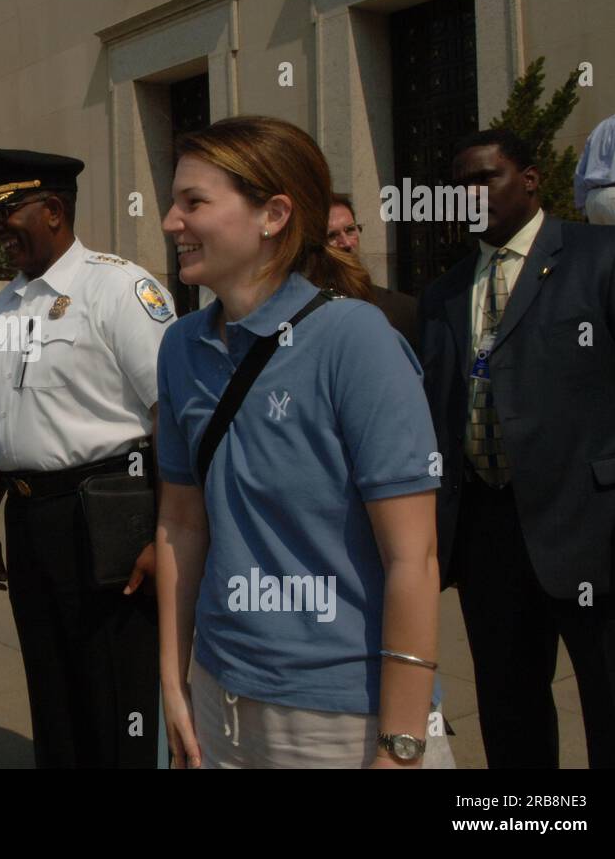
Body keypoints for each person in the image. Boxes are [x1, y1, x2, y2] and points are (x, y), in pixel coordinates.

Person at [156, 115, 452, 769]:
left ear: (273, 214)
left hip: (341, 716)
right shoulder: (180, 347)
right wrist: (173, 685)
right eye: (173, 201)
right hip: (216, 701)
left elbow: (414, 557)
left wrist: (401, 749)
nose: (171, 221)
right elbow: (180, 525)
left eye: (194, 202)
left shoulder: (356, 340)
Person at [419, 127, 615, 768]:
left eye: (486, 177)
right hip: (489, 539)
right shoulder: (445, 294)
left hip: (596, 532)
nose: (471, 194)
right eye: (459, 186)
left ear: (532, 179)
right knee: (509, 716)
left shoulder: (608, 255)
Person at [0, 146, 172, 768]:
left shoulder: (119, 288)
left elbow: (174, 418)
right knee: (51, 690)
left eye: (9, 214)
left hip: (107, 514)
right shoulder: (4, 303)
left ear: (53, 210)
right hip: (31, 522)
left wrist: (165, 533)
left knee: (116, 693)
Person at [328, 192, 419, 348]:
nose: (346, 243)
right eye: (332, 235)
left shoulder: (402, 310)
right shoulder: (303, 311)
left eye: (350, 230)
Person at [573, 80, 615, 226]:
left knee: (605, 249)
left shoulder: (600, 127)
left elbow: (580, 172)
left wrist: (583, 205)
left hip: (594, 200)